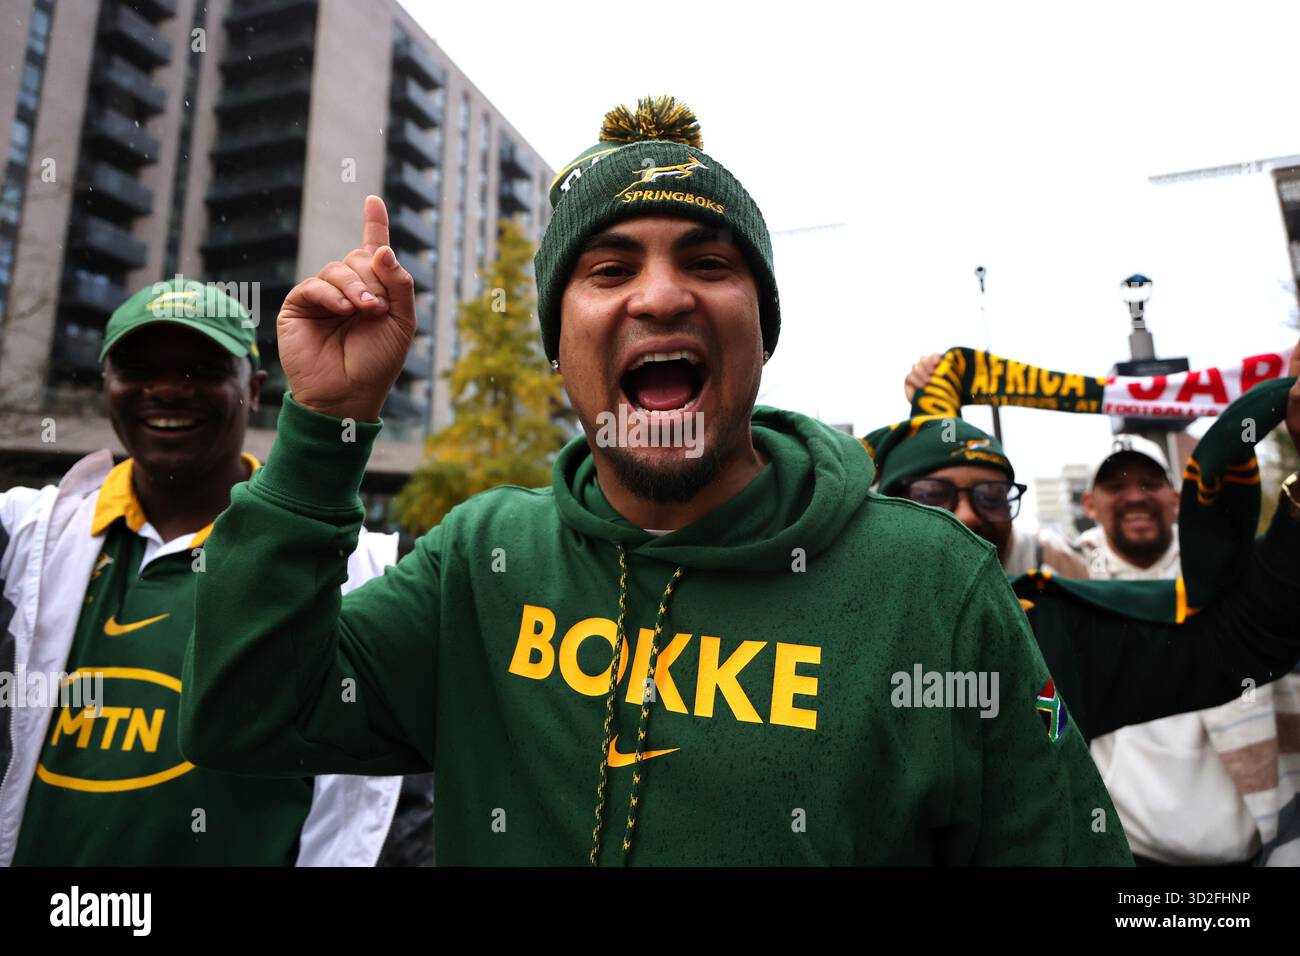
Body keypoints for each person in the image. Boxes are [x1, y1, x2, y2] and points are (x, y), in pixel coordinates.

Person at [179, 97, 1130, 865]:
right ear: (560, 347)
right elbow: (249, 719)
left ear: (762, 334)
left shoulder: (933, 585)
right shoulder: (484, 559)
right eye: (609, 267)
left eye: (709, 263)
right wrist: (322, 432)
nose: (663, 295)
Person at [0, 279, 404, 866]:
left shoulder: (361, 568)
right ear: (106, 386)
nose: (165, 389)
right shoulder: (23, 534)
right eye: (137, 368)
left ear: (255, 389)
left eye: (199, 370)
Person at [889, 353, 1300, 864]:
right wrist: (934, 415)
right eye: (932, 494)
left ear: (1175, 496)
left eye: (993, 494)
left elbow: (1247, 636)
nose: (970, 512)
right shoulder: (840, 627)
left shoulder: (1052, 626)